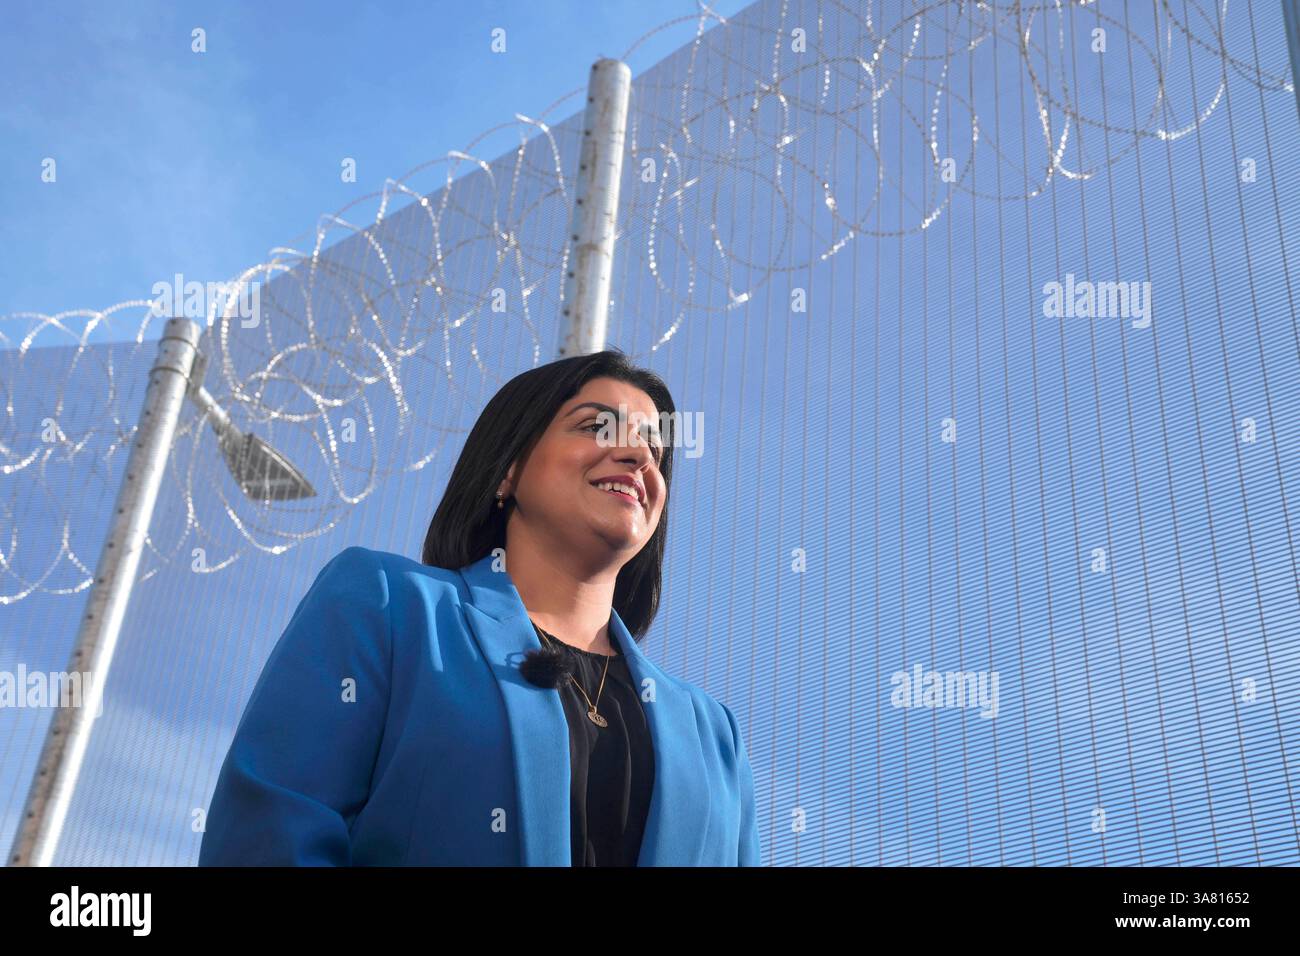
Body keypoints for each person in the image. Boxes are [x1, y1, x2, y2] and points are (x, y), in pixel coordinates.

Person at [198, 348, 761, 866]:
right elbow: (269, 836)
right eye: (596, 426)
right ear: (508, 469)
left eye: (654, 450)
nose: (638, 455)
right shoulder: (388, 605)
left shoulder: (715, 736)